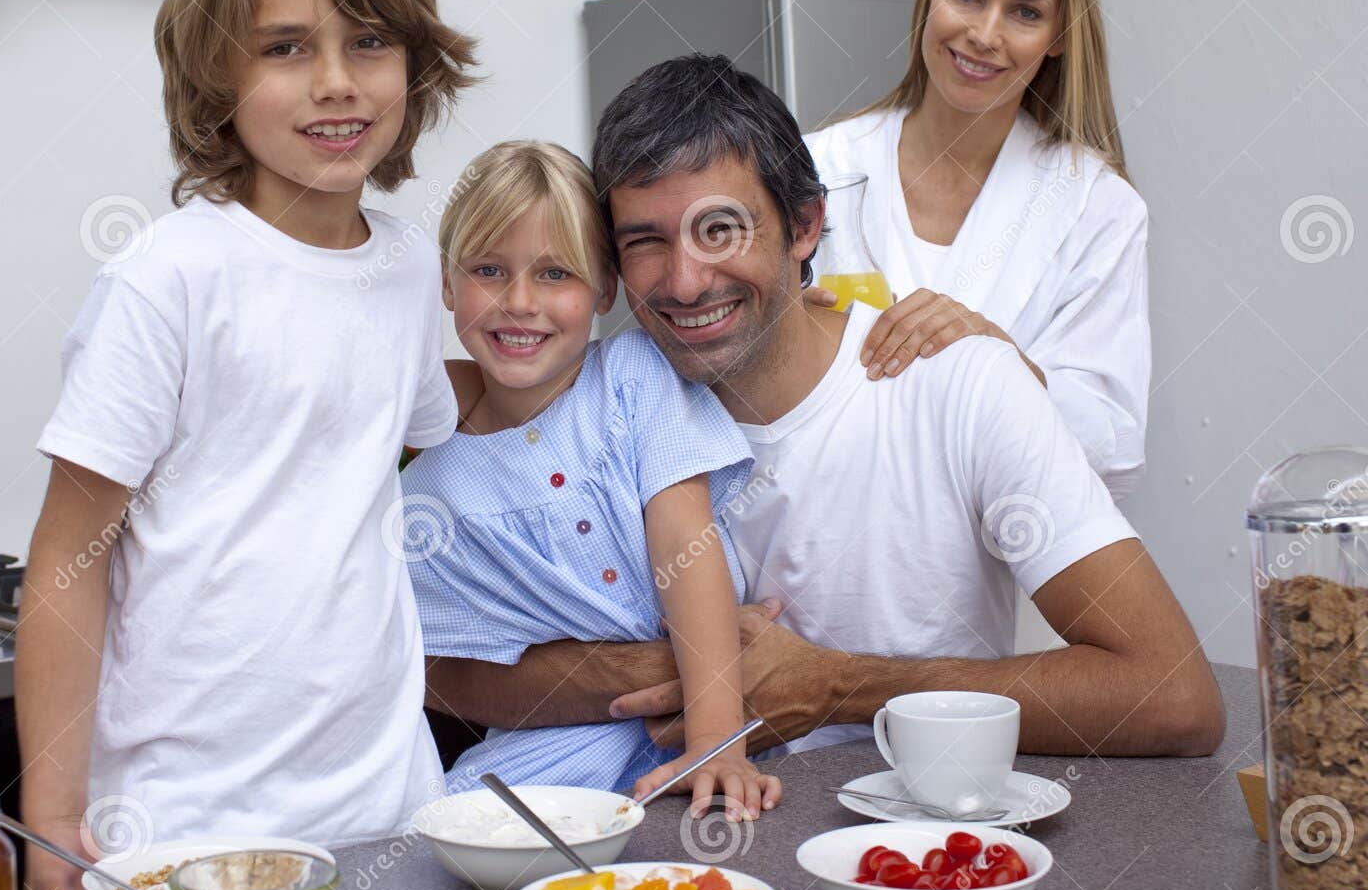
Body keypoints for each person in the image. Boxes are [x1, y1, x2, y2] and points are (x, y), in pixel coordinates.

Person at [426, 55, 1224, 770]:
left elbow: (1172, 694)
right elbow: (439, 668)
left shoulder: (956, 384)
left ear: (804, 225)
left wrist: (841, 686)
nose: (686, 280)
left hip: (908, 852)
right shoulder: (590, 400)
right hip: (677, 862)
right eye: (646, 242)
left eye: (721, 228)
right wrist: (676, 670)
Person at [17, 0, 480, 890]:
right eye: (283, 47)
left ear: (414, 65)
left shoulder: (406, 266)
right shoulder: (168, 276)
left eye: (369, 42)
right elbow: (66, 556)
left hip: (387, 803)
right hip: (185, 824)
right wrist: (51, 811)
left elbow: (396, 425)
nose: (335, 82)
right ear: (214, 72)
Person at [404, 141, 780, 818]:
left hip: (704, 732)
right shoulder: (430, 486)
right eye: (489, 269)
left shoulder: (632, 379)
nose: (519, 302)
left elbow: (683, 540)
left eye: (555, 273)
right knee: (452, 847)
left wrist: (718, 743)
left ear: (605, 288)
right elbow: (425, 655)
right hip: (545, 762)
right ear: (446, 282)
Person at [805, 0, 1149, 498]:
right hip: (809, 548)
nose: (984, 33)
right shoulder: (818, 165)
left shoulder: (1097, 206)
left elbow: (1114, 446)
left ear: (1061, 35)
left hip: (993, 567)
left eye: (1025, 12)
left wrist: (999, 361)